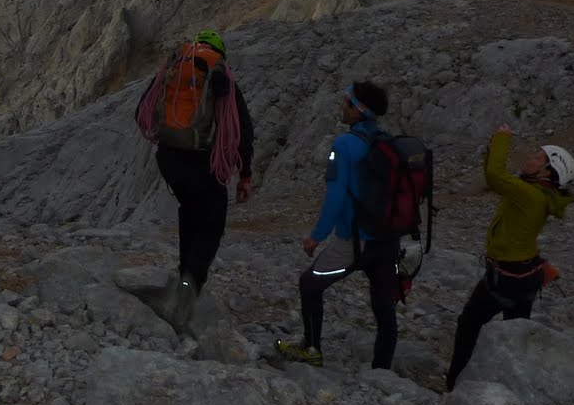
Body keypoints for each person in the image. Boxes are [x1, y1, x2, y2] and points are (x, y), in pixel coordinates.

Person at [135, 29, 256, 331]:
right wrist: (246, 174)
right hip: (202, 161)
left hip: (169, 158)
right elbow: (241, 130)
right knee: (212, 223)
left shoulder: (175, 66)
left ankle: (183, 274)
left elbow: (142, 109)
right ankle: (191, 282)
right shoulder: (219, 74)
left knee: (189, 212)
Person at [274, 81, 398, 370]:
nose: (342, 108)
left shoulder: (344, 144)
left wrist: (316, 237)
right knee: (383, 307)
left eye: (347, 103)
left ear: (360, 110)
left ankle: (312, 349)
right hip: (388, 239)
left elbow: (335, 196)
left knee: (309, 284)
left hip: (355, 241)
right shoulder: (386, 141)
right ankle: (382, 371)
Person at [444, 124, 574, 391]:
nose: (530, 158)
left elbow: (494, 175)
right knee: (514, 333)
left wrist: (502, 138)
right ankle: (510, 385)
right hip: (525, 275)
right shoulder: (538, 194)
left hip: (506, 276)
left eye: (537, 157)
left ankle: (454, 383)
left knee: (469, 323)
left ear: (548, 171)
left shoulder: (529, 195)